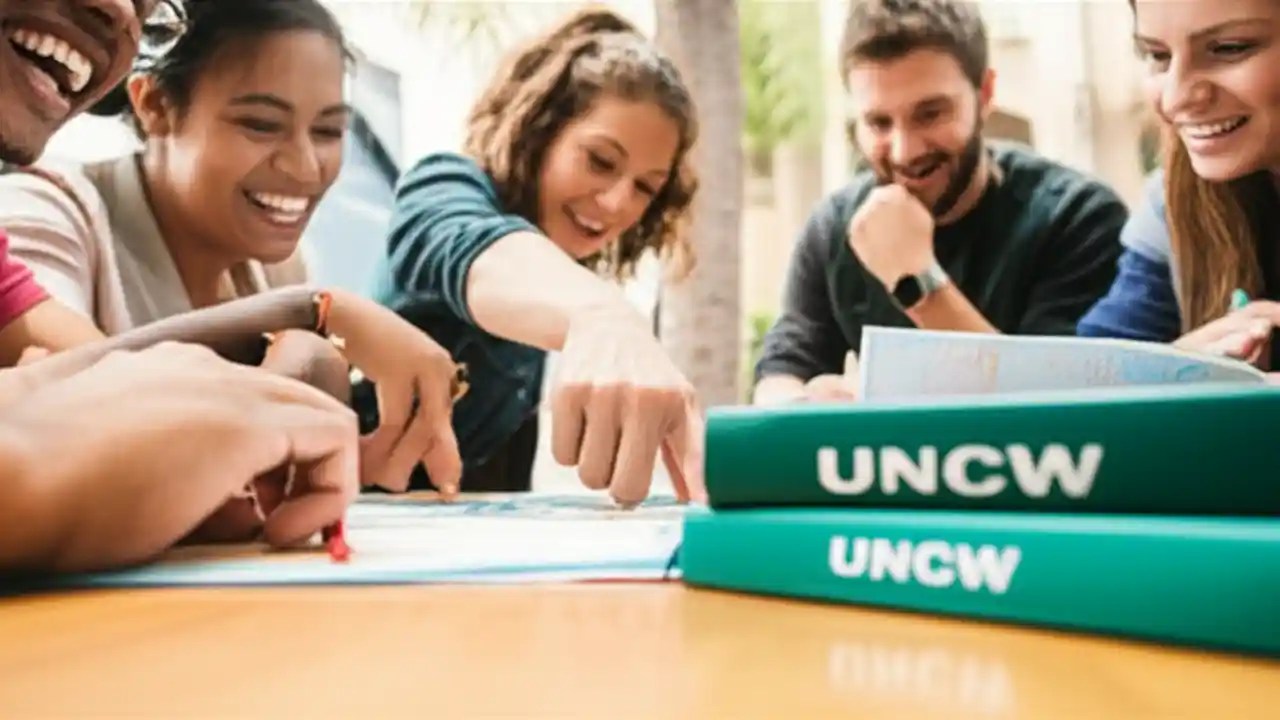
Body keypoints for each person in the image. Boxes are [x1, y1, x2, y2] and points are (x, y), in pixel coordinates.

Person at [0, 0, 444, 573]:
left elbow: (73, 383)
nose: (306, 166)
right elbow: (75, 413)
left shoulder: (274, 268)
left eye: (331, 130)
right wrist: (313, 317)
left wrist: (308, 338)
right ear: (154, 105)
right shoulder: (45, 206)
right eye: (259, 123)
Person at [368, 8, 704, 504]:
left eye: (644, 188)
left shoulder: (558, 278)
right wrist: (605, 316)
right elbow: (474, 251)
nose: (617, 203)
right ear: (539, 131)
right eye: (600, 161)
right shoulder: (442, 187)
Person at [752, 0, 1129, 405]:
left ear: (985, 95)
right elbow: (778, 377)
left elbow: (1054, 412)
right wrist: (805, 407)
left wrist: (916, 280)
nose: (904, 151)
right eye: (878, 123)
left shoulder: (1079, 218)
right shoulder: (834, 226)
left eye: (930, 114)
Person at [1078, 0, 1280, 369]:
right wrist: (1176, 369)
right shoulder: (1172, 200)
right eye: (1157, 55)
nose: (1174, 99)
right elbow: (1088, 379)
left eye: (1229, 48)